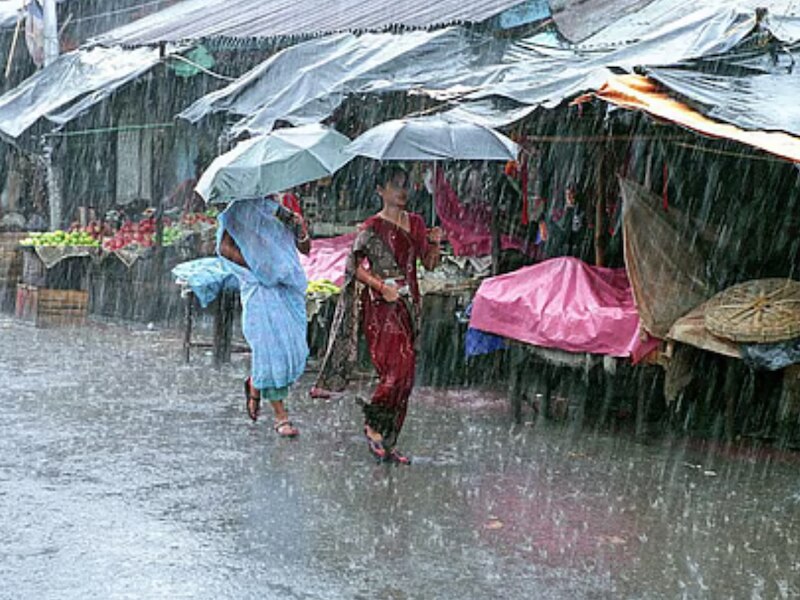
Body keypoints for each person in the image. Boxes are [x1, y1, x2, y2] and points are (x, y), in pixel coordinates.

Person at [313, 165, 443, 464]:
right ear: (380, 191)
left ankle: (390, 439)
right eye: (395, 186)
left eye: (405, 186)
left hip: (410, 306)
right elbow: (352, 267)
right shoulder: (371, 227)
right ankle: (373, 424)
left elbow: (431, 264)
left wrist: (435, 242)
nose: (402, 192)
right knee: (395, 371)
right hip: (382, 308)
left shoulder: (418, 223)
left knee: (407, 378)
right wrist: (380, 286)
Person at [217, 192, 311, 437]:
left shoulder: (285, 208)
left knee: (295, 349)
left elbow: (304, 248)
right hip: (259, 288)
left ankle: (256, 382)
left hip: (287, 287)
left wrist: (300, 228)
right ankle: (281, 416)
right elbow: (224, 247)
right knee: (271, 350)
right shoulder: (238, 210)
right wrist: (258, 266)